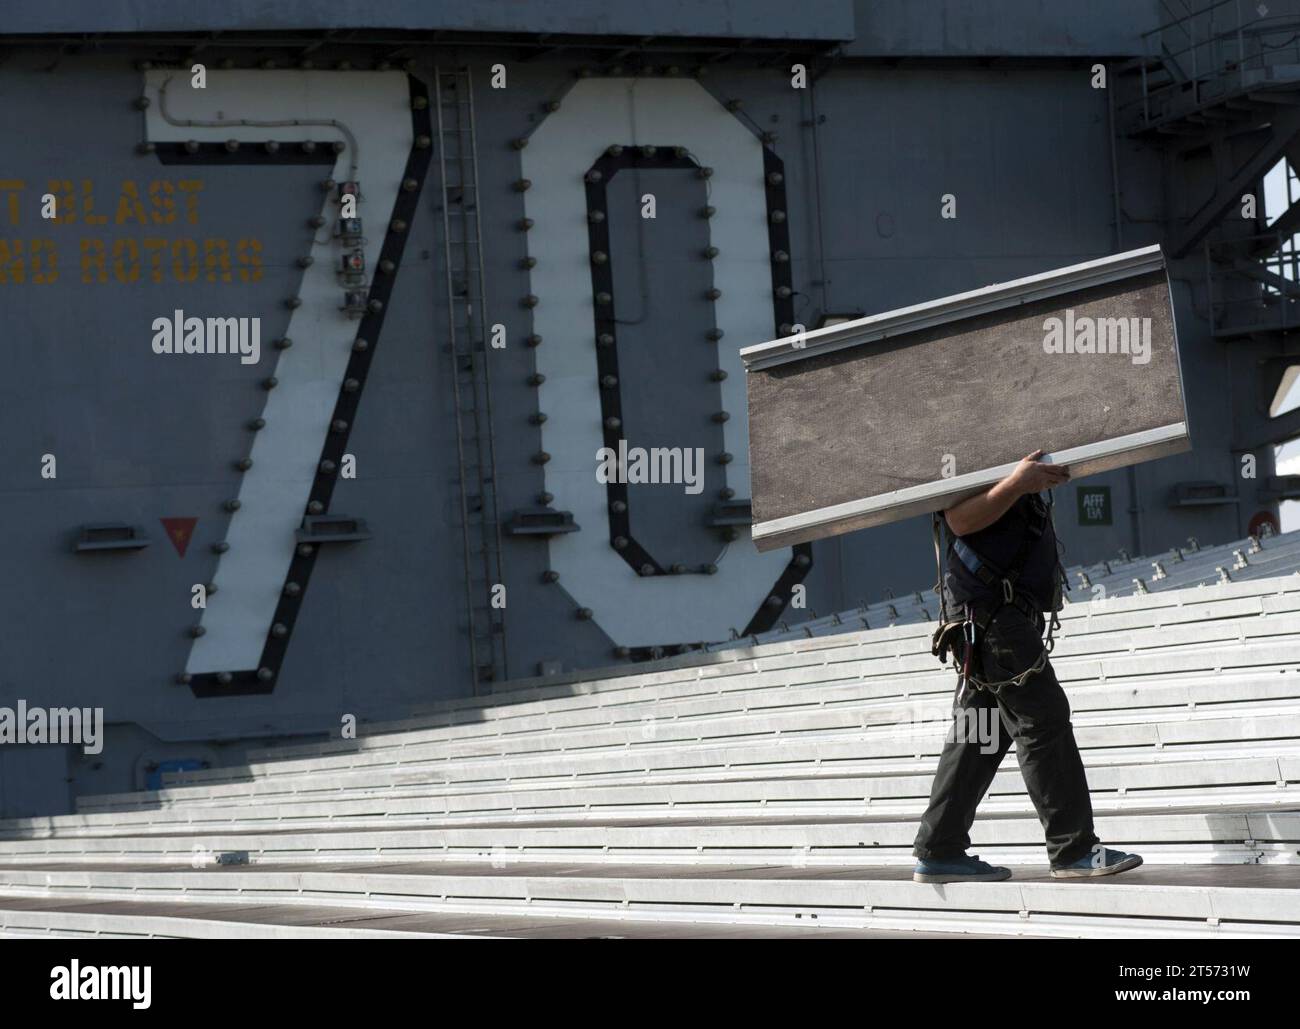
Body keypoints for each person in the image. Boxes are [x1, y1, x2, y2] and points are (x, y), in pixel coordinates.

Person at [911, 449, 1143, 883]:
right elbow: (959, 520)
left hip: (990, 616)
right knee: (1043, 719)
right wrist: (1017, 483)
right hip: (993, 615)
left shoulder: (989, 453)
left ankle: (939, 849)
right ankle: (1072, 849)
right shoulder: (962, 454)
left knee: (977, 734)